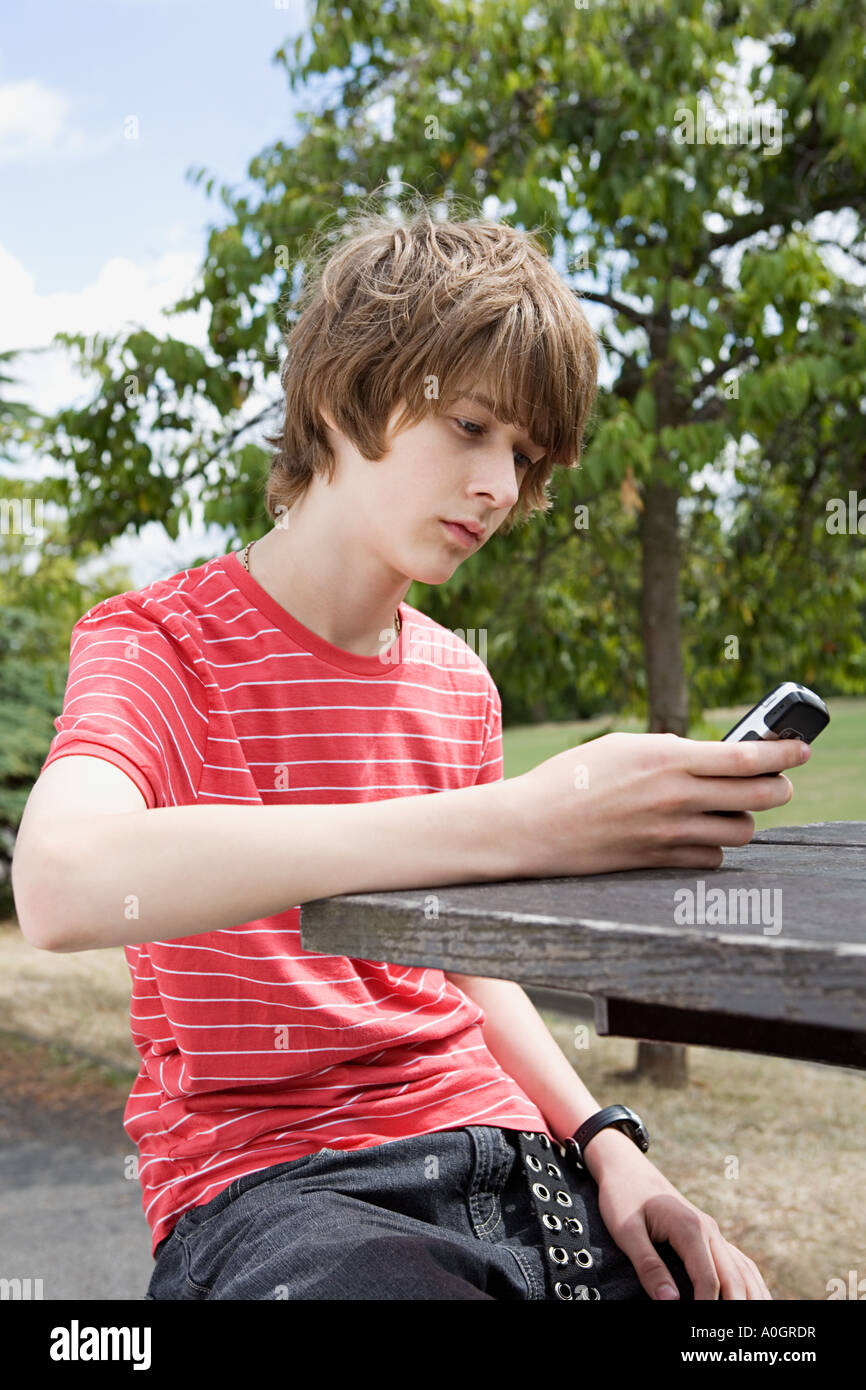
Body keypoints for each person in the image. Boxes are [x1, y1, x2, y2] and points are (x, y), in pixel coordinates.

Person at [12, 205, 807, 1301]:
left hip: (508, 1155)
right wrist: (518, 823)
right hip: (279, 1189)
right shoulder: (156, 644)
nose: (499, 488)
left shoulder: (455, 679)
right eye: (471, 427)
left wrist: (611, 1144)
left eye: (525, 457)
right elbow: (61, 883)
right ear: (344, 397)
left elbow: (461, 965)